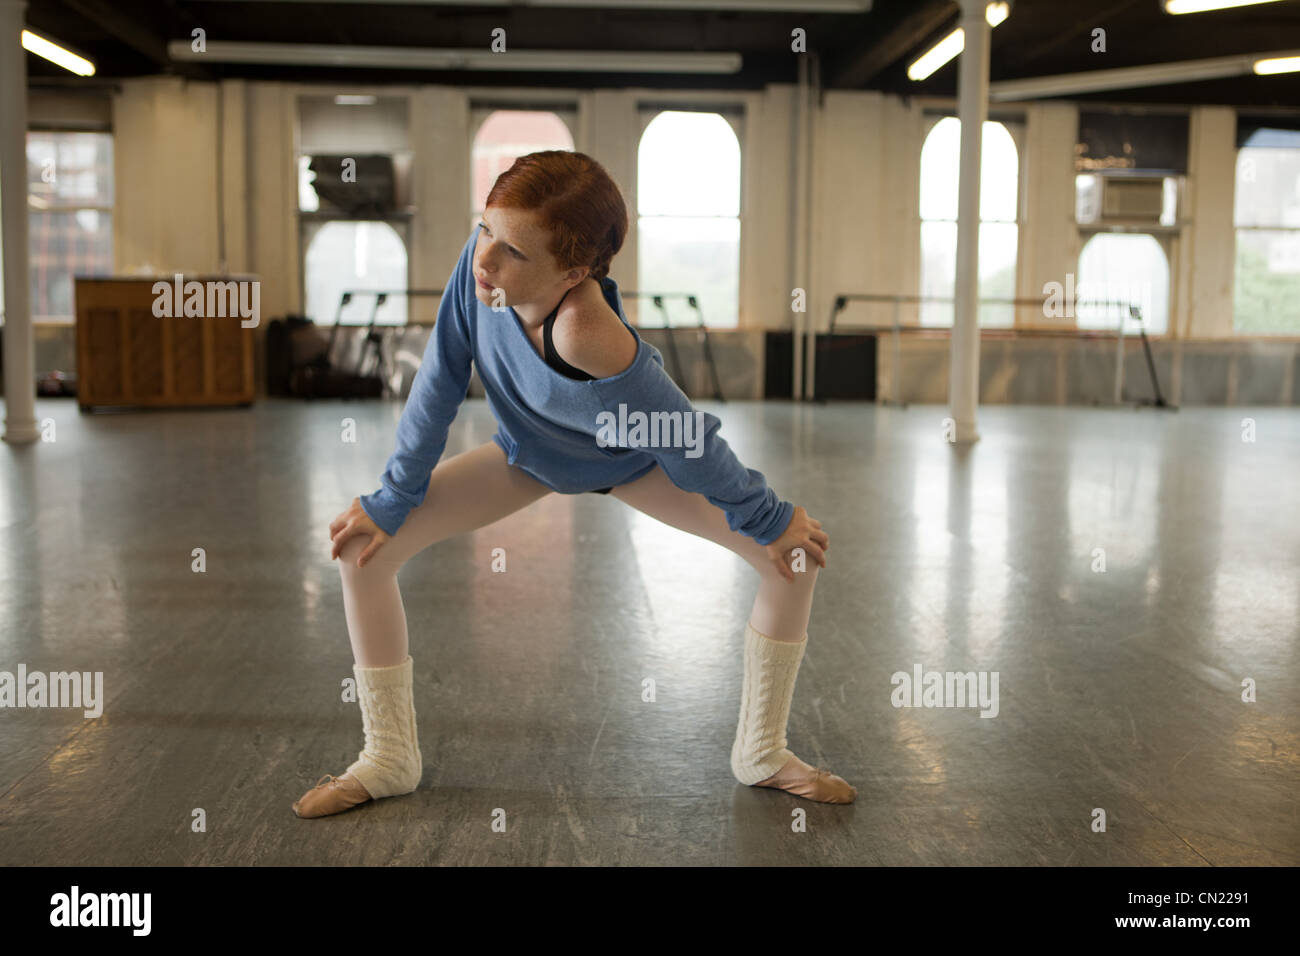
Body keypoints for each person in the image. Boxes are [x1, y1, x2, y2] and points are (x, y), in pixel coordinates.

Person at [293, 150, 854, 818]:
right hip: (528, 453)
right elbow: (439, 378)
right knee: (365, 550)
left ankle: (762, 753)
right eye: (486, 230)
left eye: (515, 252)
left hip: (629, 463)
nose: (487, 261)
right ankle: (389, 758)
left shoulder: (587, 331)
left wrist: (767, 517)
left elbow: (683, 437)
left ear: (575, 271)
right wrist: (393, 497)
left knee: (792, 556)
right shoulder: (480, 264)